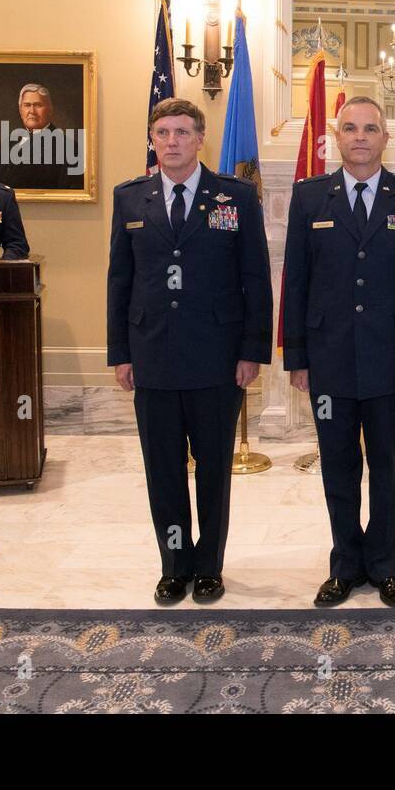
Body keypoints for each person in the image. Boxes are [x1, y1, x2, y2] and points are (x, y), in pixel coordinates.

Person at [107, 97, 273, 605]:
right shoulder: (131, 198)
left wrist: (252, 351)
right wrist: (120, 351)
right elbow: (120, 278)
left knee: (214, 467)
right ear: (153, 140)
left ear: (201, 139)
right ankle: (174, 564)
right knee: (163, 469)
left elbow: (255, 279)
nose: (172, 141)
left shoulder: (235, 197)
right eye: (163, 133)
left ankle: (209, 566)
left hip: (216, 358)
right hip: (152, 354)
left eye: (182, 132)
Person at [282, 96, 395, 608]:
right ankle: (346, 565)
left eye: (371, 128)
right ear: (337, 136)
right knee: (338, 465)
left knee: (388, 466)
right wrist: (297, 357)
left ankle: (386, 568)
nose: (360, 137)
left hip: (390, 360)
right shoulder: (310, 198)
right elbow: (296, 282)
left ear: (385, 138)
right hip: (327, 358)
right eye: (350, 128)